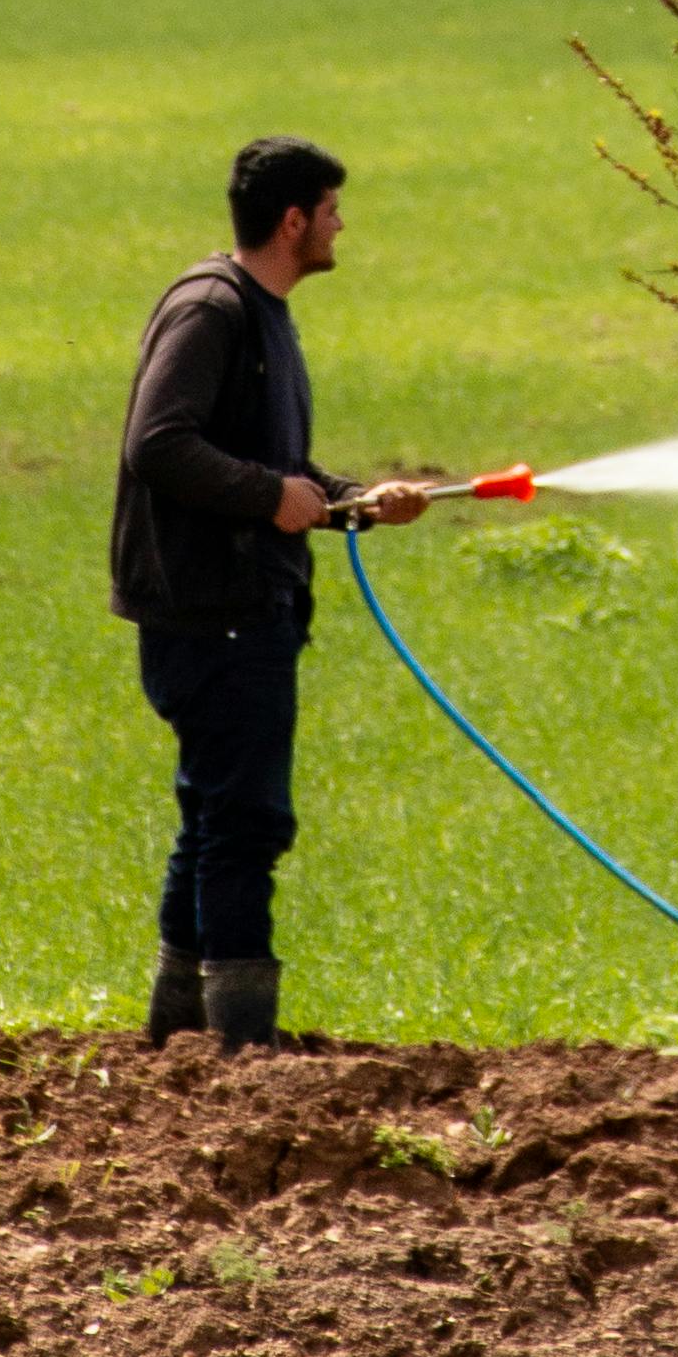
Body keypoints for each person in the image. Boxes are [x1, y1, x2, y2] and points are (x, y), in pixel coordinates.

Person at [109, 134, 428, 1050]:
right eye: (331, 209)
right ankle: (244, 1045)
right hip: (216, 615)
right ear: (294, 220)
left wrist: (352, 503)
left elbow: (276, 472)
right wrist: (270, 495)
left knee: (211, 811)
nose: (340, 225)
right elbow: (159, 442)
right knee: (246, 819)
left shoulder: (261, 312)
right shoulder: (214, 310)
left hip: (241, 609)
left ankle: (177, 1032)